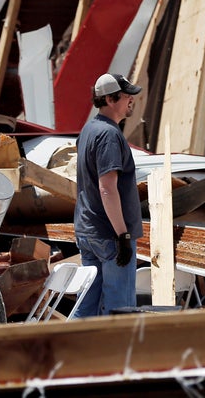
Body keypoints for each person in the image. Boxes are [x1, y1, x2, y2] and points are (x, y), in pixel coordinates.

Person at [70, 72, 143, 317]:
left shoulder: (89, 130)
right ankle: (115, 354)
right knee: (119, 307)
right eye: (126, 96)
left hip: (89, 230)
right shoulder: (109, 136)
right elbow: (106, 187)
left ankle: (74, 352)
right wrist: (122, 235)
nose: (131, 100)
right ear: (111, 100)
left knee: (87, 305)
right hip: (110, 235)